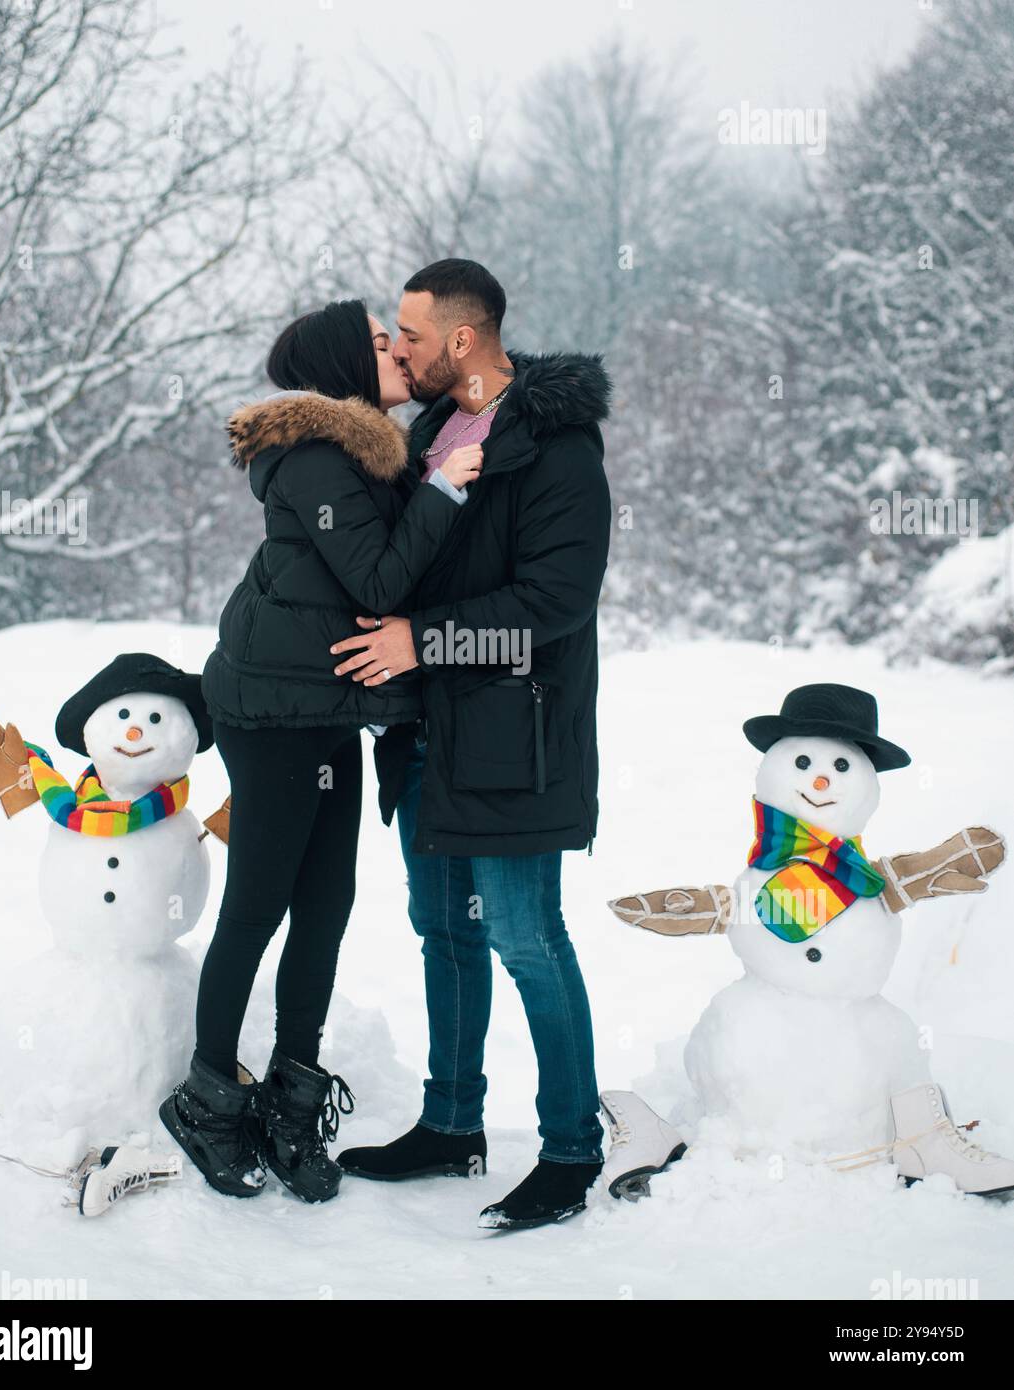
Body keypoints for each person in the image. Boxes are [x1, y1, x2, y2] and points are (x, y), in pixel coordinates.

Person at [160, 299, 483, 1203]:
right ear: (346, 360)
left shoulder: (371, 453)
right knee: (258, 907)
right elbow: (379, 576)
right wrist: (444, 488)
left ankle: (290, 1104)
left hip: (327, 712)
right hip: (271, 716)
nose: (398, 351)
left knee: (326, 907)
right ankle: (209, 1097)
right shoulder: (311, 457)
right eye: (382, 342)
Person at [330, 260, 614, 1230]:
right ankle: (451, 1123)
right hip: (426, 738)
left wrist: (422, 639)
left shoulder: (554, 449)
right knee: (442, 930)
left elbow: (554, 605)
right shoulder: (425, 440)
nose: (397, 350)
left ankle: (572, 1148)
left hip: (514, 743)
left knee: (525, 937)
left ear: (460, 339)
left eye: (408, 333)